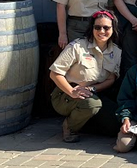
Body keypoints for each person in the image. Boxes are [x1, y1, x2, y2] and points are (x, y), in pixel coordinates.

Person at [49, 10, 122, 143]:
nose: (101, 31)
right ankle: (69, 126)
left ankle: (84, 122)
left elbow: (111, 79)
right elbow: (55, 73)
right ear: (91, 28)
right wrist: (72, 92)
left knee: (115, 125)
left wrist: (93, 89)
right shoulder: (77, 46)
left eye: (106, 27)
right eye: (97, 27)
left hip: (93, 92)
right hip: (66, 93)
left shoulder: (116, 51)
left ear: (113, 29)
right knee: (92, 104)